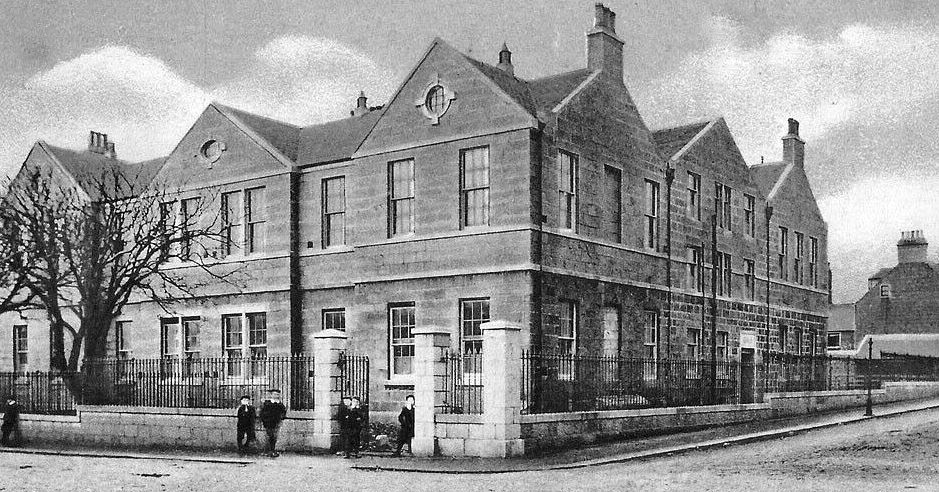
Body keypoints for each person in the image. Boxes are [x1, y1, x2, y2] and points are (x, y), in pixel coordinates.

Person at [259, 389, 287, 457]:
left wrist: (281, 418)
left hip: (276, 423)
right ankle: (268, 450)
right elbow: (262, 413)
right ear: (271, 395)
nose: (276, 396)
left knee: (274, 436)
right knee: (270, 436)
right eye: (274, 394)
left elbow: (283, 412)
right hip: (268, 423)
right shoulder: (267, 403)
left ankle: (272, 450)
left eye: (277, 394)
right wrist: (265, 420)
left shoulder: (280, 404)